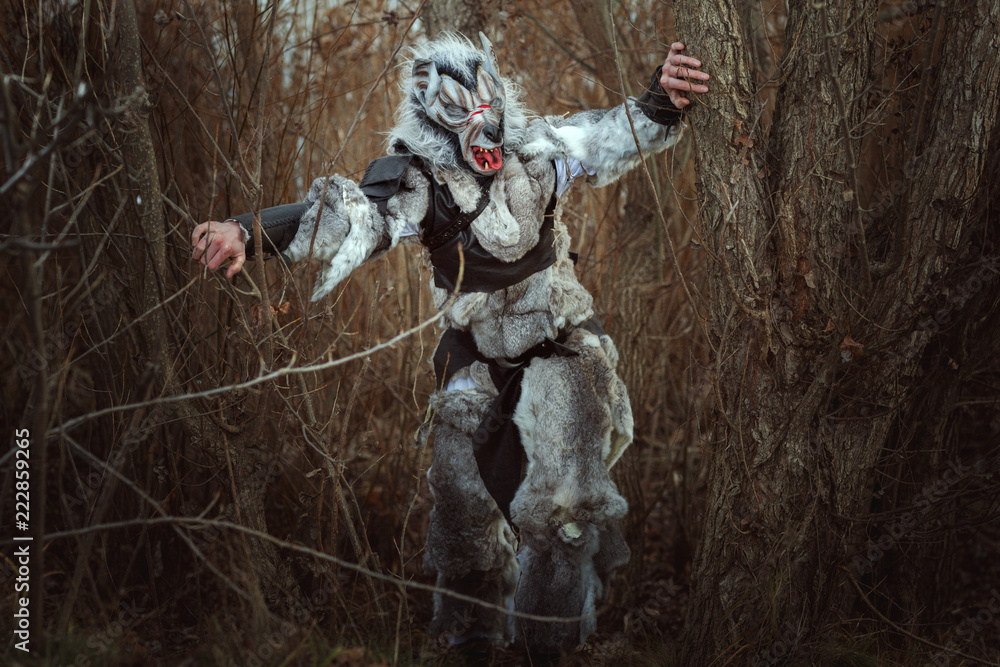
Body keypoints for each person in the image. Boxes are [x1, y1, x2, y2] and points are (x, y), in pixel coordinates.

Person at [192, 32, 708, 654]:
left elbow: (607, 135)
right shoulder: (419, 182)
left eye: (488, 111)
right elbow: (350, 213)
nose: (482, 129)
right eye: (465, 116)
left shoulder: (538, 148)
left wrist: (662, 97)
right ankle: (471, 641)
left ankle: (548, 645)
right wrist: (249, 231)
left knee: (567, 512)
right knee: (462, 513)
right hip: (476, 358)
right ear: (436, 118)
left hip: (561, 344)